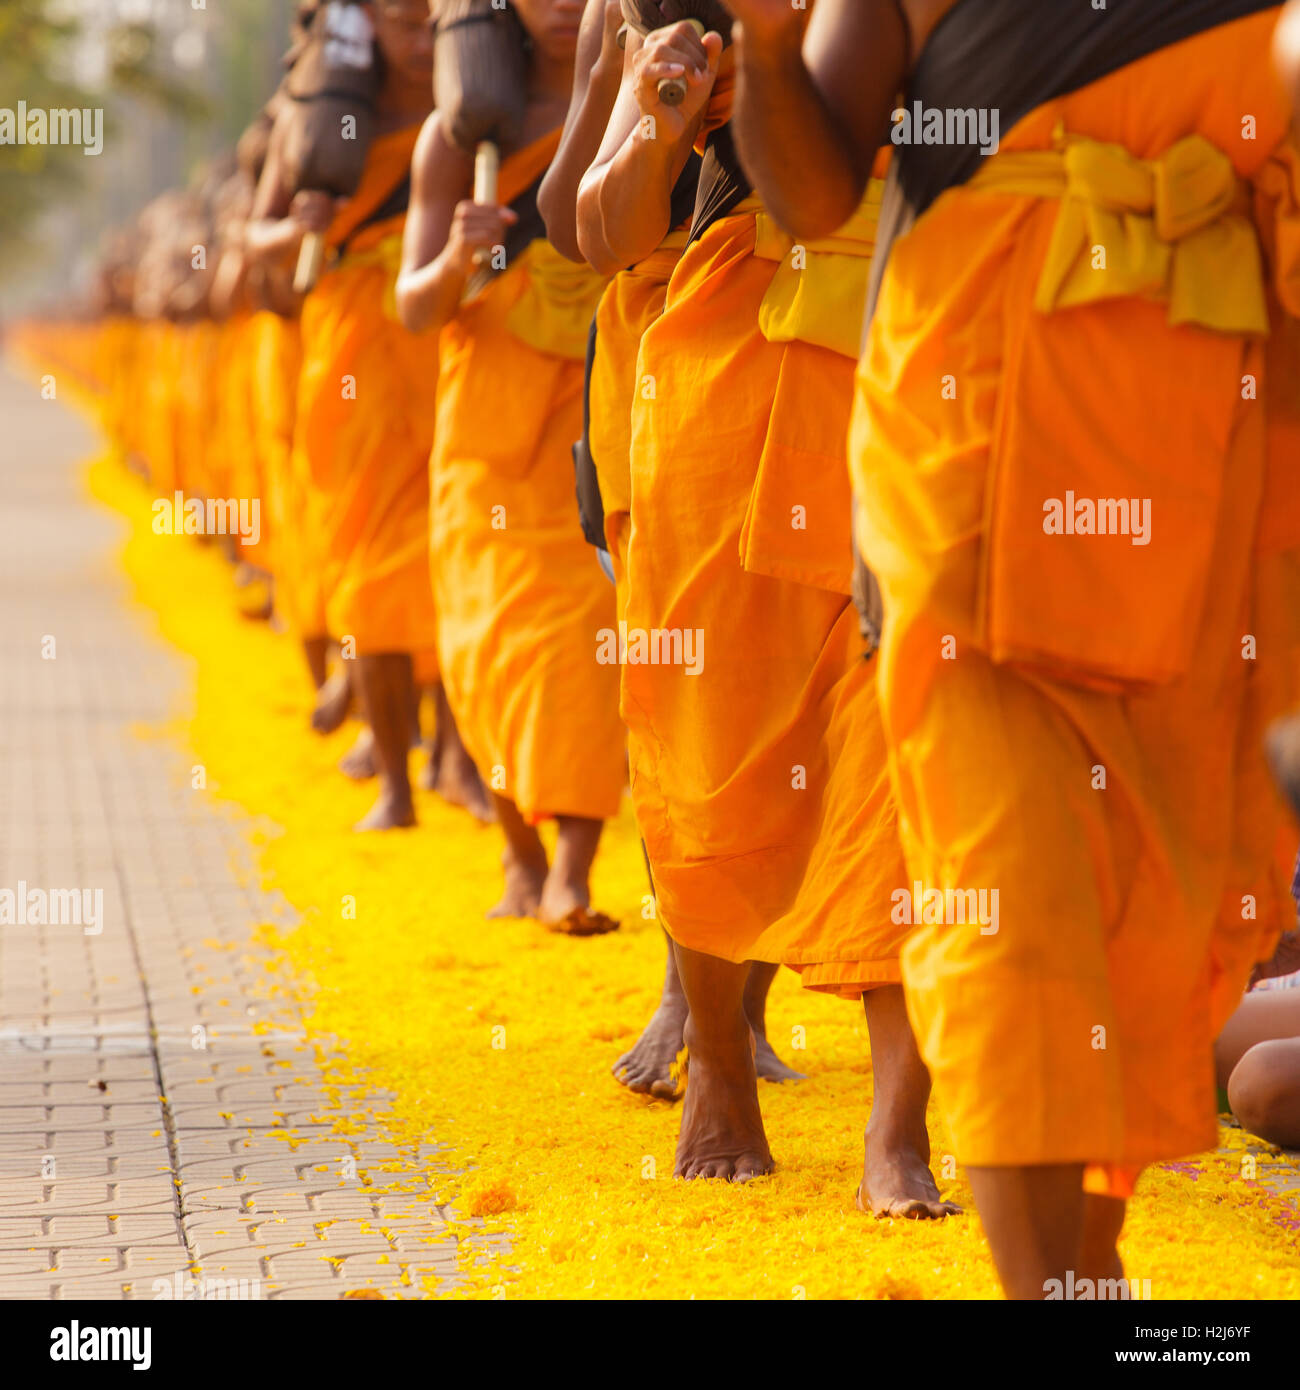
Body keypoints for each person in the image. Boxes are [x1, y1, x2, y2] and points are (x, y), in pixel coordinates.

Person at [726, 0, 1300, 1292]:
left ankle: (1089, 1265)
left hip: (1204, 454)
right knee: (1009, 900)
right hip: (972, 455)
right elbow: (820, 189)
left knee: (1151, 906)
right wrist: (763, 46)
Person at [572, 7, 956, 1215]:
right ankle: (721, 1068)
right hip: (721, 379)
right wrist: (662, 114)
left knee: (909, 738)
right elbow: (603, 233)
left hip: (922, 334)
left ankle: (900, 1130)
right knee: (711, 742)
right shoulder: (670, 21)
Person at [540, 0, 800, 1095]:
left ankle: (749, 1006)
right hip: (657, 378)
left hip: (800, 329)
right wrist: (622, 87)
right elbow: (574, 224)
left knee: (796, 698)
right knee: (686, 697)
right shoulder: (634, 16)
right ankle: (684, 995)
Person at [396, 0, 626, 928]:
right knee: (488, 648)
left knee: (582, 642)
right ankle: (521, 856)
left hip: (594, 406)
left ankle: (573, 864)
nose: (566, 7)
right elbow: (414, 307)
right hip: (486, 435)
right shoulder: (456, 137)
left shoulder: (632, 101)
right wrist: (458, 258)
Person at [247, 0, 476, 830]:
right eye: (399, 20)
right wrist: (299, 229)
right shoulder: (325, 117)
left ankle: (458, 753)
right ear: (362, 25)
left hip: (453, 348)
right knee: (377, 560)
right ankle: (394, 775)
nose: (418, 36)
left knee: (457, 549)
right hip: (352, 359)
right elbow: (255, 240)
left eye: (430, 19)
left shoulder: (480, 97)